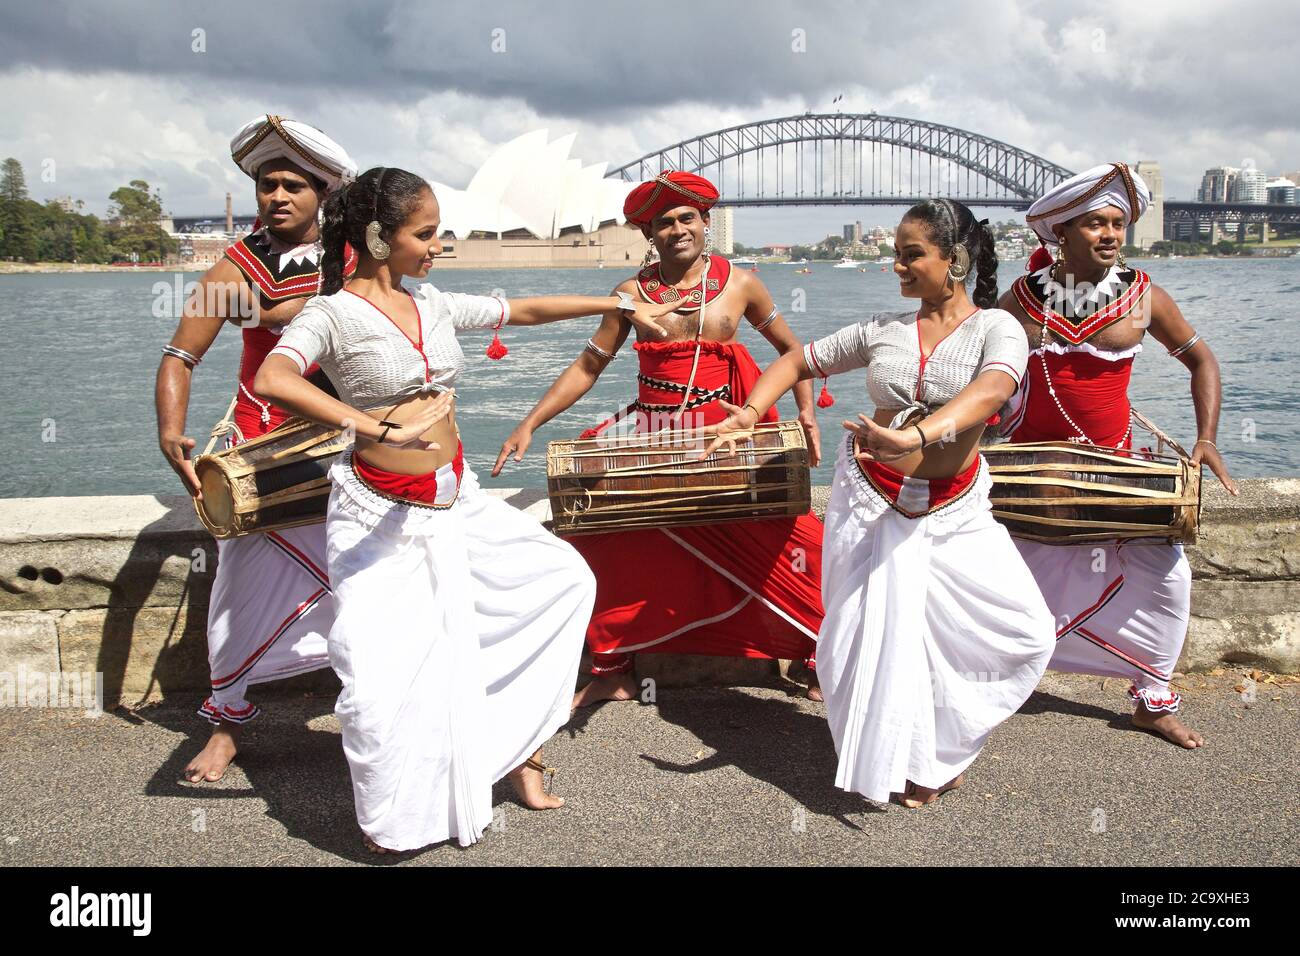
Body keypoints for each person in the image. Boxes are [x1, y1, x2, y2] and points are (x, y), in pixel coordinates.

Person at [253, 166, 678, 852]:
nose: (437, 244)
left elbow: (525, 311)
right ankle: (395, 819)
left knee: (563, 582)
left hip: (456, 500)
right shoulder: (331, 313)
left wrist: (619, 307)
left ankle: (512, 750)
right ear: (376, 237)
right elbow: (274, 376)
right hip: (376, 516)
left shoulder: (433, 302)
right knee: (377, 675)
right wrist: (375, 429)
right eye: (426, 233)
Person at [704, 199, 1055, 806]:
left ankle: (943, 747)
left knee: (1025, 630)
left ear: (956, 259)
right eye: (895, 253)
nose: (897, 265)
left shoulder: (997, 328)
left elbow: (993, 389)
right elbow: (795, 359)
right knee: (864, 634)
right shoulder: (884, 330)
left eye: (911, 253)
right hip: (870, 498)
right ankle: (903, 758)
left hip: (954, 506)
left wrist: (914, 437)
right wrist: (750, 411)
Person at [494, 171, 826, 706]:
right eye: (664, 222)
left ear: (705, 222)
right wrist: (530, 422)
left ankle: (817, 656)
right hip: (649, 434)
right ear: (650, 233)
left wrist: (807, 415)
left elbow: (796, 353)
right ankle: (614, 669)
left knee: (797, 541)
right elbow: (589, 365)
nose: (676, 230)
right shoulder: (629, 294)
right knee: (597, 535)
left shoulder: (741, 283)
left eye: (686, 218)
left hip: (726, 435)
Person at [998, 162, 1238, 749]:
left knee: (1166, 579)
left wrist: (1206, 438)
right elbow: (985, 378)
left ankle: (1152, 700)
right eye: (1096, 225)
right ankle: (1001, 676)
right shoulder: (1021, 300)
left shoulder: (1144, 296)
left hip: (1114, 469)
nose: (1110, 235)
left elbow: (1202, 360)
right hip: (1030, 469)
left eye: (1118, 224)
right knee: (1007, 578)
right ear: (1062, 233)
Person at [155, 114, 357, 783]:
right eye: (267, 184)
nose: (277, 196)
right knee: (237, 591)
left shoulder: (358, 258)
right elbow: (181, 356)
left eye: (292, 185)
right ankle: (225, 721)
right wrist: (169, 433)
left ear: (321, 194)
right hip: (259, 451)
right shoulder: (233, 268)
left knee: (371, 576)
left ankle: (375, 702)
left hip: (346, 444)